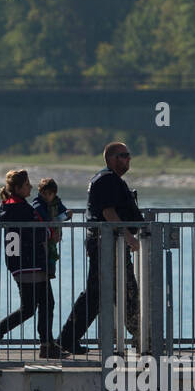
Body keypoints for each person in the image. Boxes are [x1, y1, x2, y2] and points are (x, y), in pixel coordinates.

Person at [57, 142, 143, 354]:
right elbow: (108, 212)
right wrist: (129, 237)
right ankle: (142, 337)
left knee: (96, 294)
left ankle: (66, 339)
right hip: (108, 243)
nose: (129, 159)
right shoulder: (106, 180)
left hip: (108, 242)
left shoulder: (111, 180)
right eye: (125, 155)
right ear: (113, 158)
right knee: (127, 290)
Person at [0, 169, 63, 359]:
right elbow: (35, 232)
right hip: (29, 263)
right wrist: (50, 234)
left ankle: (46, 344)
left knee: (45, 303)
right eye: (26, 184)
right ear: (17, 188)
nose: (31, 187)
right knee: (31, 307)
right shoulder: (21, 209)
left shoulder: (11, 207)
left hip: (24, 264)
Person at [31, 178, 71, 280]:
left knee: (52, 253)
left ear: (54, 194)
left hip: (54, 235)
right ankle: (43, 271)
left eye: (50, 194)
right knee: (43, 254)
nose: (47, 197)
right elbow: (38, 209)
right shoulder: (38, 201)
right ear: (40, 192)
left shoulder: (57, 202)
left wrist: (67, 214)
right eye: (44, 194)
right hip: (43, 235)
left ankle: (51, 272)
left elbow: (64, 211)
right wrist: (49, 219)